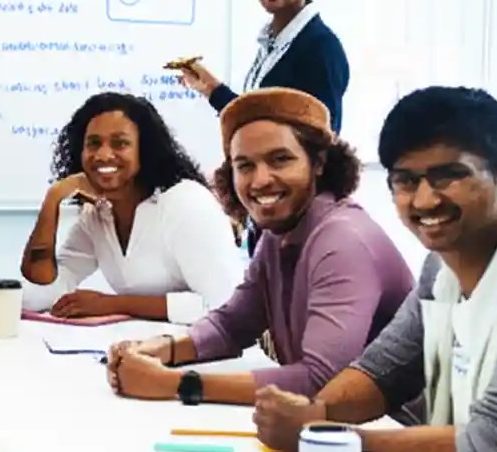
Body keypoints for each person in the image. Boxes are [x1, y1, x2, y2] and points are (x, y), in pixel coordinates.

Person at [254, 87, 497, 452]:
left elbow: (493, 445)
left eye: (448, 176)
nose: (425, 200)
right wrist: (314, 413)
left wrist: (330, 436)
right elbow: (382, 372)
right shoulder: (440, 270)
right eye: (406, 181)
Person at [107, 88, 412, 405]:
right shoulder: (279, 233)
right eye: (245, 166)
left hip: (390, 428)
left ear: (319, 162)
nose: (260, 180)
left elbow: (322, 381)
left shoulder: (342, 241)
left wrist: (175, 384)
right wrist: (159, 349)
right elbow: (231, 326)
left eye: (280, 160)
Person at [20, 92, 242, 323]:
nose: (103, 154)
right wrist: (53, 199)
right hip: (146, 343)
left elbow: (224, 303)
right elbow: (42, 292)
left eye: (120, 143)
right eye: (93, 144)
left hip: (209, 344)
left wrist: (112, 304)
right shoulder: (97, 214)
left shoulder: (185, 202)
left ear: (145, 151)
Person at [175, 0, 348, 133]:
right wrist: (212, 89)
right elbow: (258, 122)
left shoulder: (320, 48)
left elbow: (322, 140)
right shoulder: (273, 41)